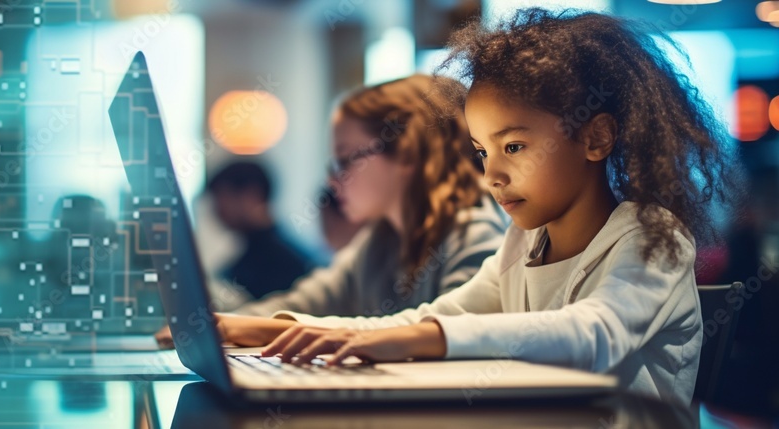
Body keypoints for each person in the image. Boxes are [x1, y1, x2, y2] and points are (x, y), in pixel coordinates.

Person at [214, 9, 738, 405]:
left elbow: (594, 333)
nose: (491, 175)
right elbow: (438, 317)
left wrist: (413, 338)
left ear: (595, 137)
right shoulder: (523, 242)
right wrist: (265, 331)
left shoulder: (651, 235)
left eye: (514, 146)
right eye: (483, 152)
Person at [156, 74, 508, 347]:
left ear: (406, 153)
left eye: (344, 159)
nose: (332, 178)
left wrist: (254, 328)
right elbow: (308, 301)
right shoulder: (380, 240)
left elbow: (448, 335)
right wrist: (225, 325)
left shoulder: (473, 234)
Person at [206, 160, 316, 300]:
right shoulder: (249, 259)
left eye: (221, 197)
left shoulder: (285, 262)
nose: (216, 209)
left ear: (252, 196)